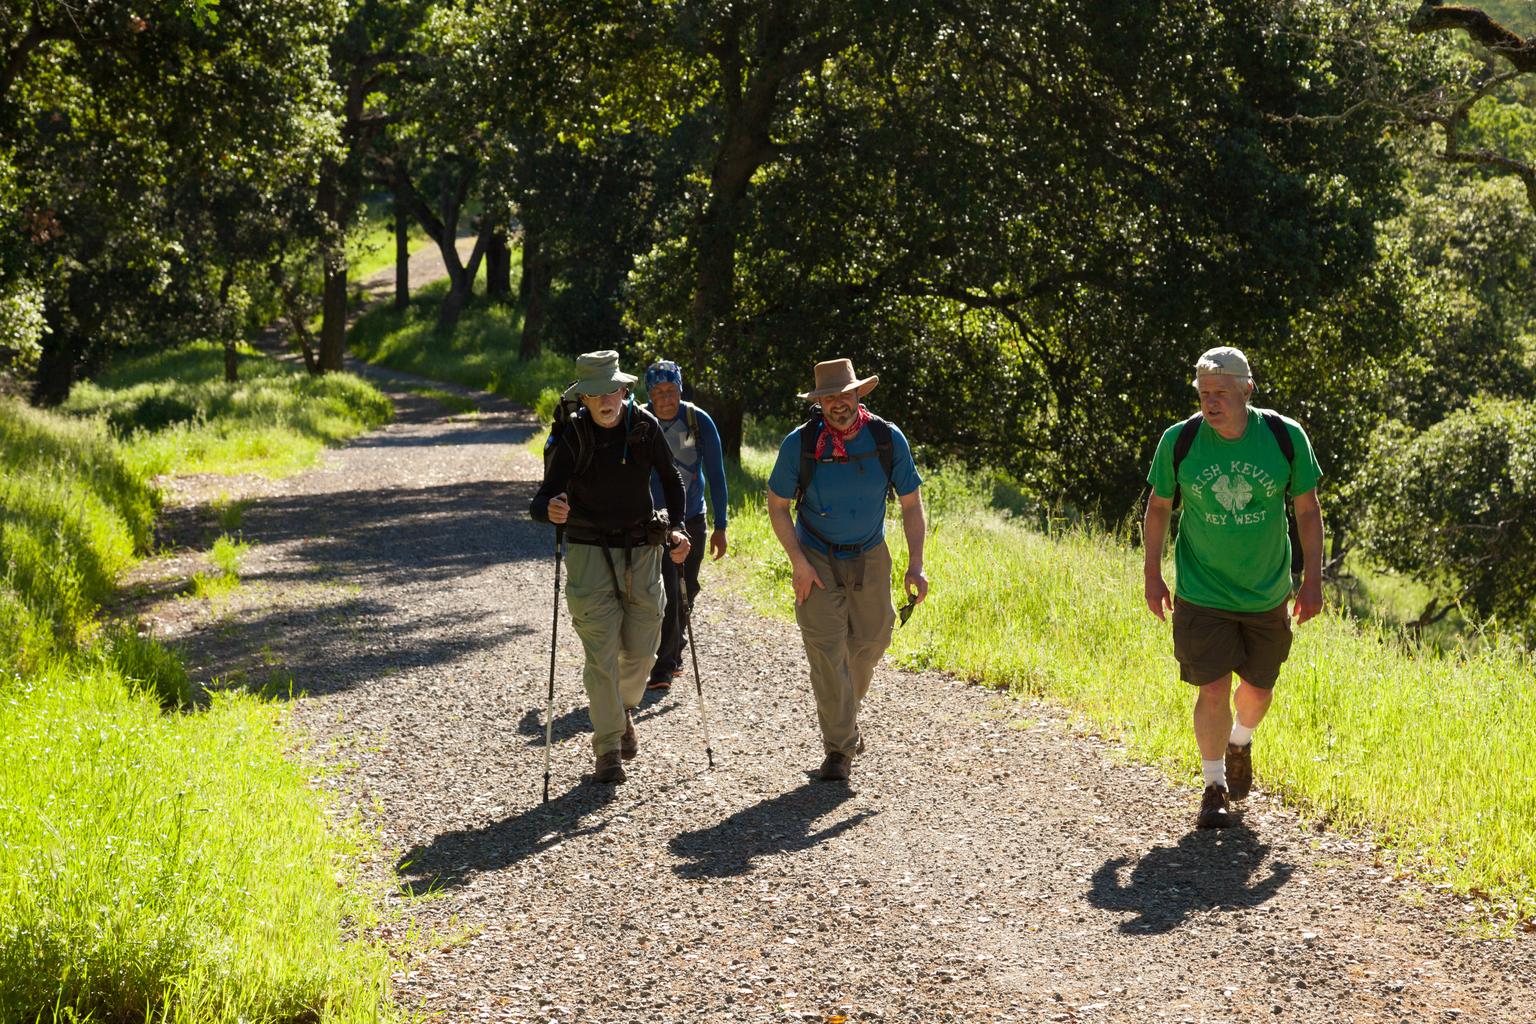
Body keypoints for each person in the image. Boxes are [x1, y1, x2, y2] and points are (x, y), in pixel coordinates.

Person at [1142, 346, 1324, 829]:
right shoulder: (1179, 441)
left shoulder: (1285, 438)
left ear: (1247, 389)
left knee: (1259, 690)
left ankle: (1240, 741)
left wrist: (1312, 581)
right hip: (1202, 591)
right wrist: (1152, 573)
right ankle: (1213, 786)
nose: (1211, 402)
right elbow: (1159, 506)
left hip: (1267, 592)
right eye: (1204, 393)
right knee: (1213, 687)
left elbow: (1307, 510)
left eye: (1221, 392)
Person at [530, 351, 690, 785]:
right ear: (583, 396)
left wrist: (677, 529)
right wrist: (553, 510)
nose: (604, 400)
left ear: (624, 390)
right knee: (600, 656)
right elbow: (541, 500)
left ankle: (622, 709)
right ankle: (607, 749)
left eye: (611, 390)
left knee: (641, 650)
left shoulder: (643, 427)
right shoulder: (574, 435)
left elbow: (672, 480)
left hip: (642, 548)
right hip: (587, 552)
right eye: (594, 393)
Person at [765, 358, 927, 783]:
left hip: (871, 554)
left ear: (859, 394)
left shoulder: (885, 438)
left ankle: (844, 722)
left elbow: (911, 504)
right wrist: (798, 563)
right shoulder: (800, 444)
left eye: (846, 395)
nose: (839, 404)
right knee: (826, 653)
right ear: (819, 402)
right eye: (830, 397)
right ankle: (839, 749)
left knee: (871, 642)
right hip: (816, 556)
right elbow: (777, 506)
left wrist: (916, 565)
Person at [643, 360, 729, 690]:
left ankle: (673, 648)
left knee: (686, 587)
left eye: (671, 390)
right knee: (663, 588)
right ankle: (663, 666)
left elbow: (717, 476)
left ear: (681, 389)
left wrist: (720, 526)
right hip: (651, 521)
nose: (666, 397)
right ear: (650, 394)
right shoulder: (640, 420)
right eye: (659, 391)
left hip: (692, 517)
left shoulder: (696, 421)